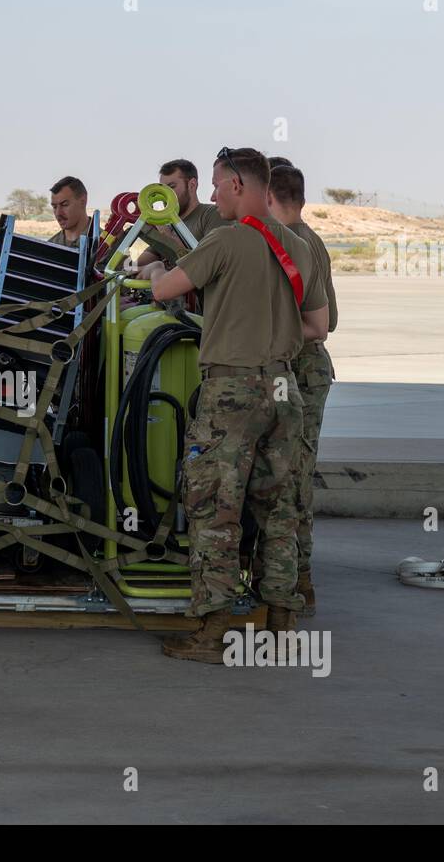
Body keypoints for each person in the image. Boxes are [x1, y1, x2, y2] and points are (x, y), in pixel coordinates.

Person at [140, 147, 329, 663]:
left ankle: (214, 630)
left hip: (232, 392)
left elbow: (163, 291)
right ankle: (283, 623)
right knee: (280, 510)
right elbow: (317, 327)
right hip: (285, 391)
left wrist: (158, 264)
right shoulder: (301, 246)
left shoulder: (224, 240)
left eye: (220, 185)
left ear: (241, 187)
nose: (216, 194)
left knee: (215, 511)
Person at [267, 160, 338, 617]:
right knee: (292, 475)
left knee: (292, 479)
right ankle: (297, 576)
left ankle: (299, 580)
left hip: (302, 369)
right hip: (304, 370)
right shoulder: (311, 239)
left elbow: (322, 324)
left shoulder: (294, 245)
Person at [135, 159, 229, 268]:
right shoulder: (168, 226)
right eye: (163, 189)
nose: (165, 195)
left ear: (192, 185)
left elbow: (211, 265)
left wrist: (168, 237)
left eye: (171, 187)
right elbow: (132, 267)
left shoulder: (212, 214)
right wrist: (120, 242)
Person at [47, 176, 93, 247]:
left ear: (83, 202)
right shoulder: (50, 247)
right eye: (54, 207)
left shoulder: (105, 245)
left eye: (64, 205)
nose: (58, 213)